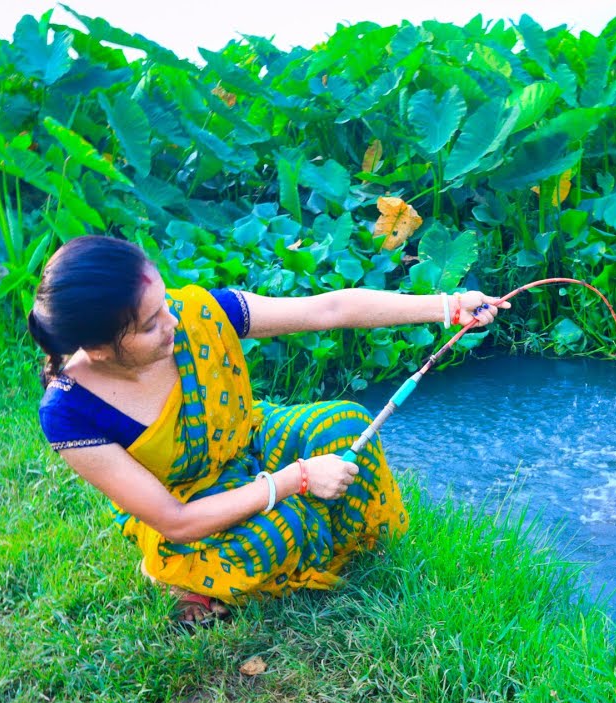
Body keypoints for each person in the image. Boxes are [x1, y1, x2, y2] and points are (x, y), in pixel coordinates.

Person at [28, 235, 510, 627]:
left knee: (344, 425)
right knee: (271, 536)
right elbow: (174, 518)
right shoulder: (71, 412)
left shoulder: (197, 315)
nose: (173, 321)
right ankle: (185, 577)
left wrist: (447, 306)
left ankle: (349, 545)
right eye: (152, 323)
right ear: (101, 349)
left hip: (249, 439)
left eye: (165, 304)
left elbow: (327, 311)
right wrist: (295, 480)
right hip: (193, 506)